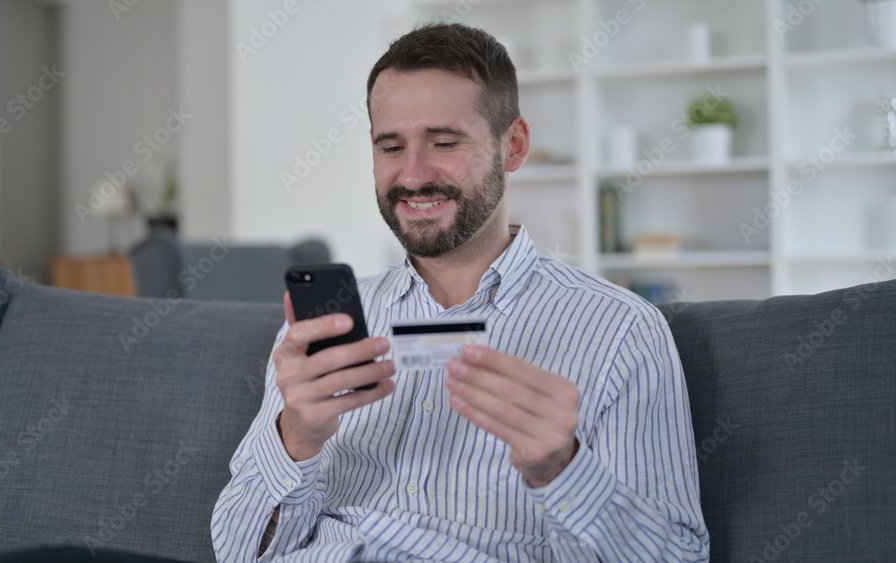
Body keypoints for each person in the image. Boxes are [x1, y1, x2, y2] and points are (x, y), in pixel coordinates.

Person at [212, 23, 709, 562]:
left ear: (513, 146)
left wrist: (562, 471)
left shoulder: (621, 332)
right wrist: (295, 441)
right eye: (391, 146)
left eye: (445, 142)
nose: (414, 175)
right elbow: (235, 553)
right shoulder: (321, 329)